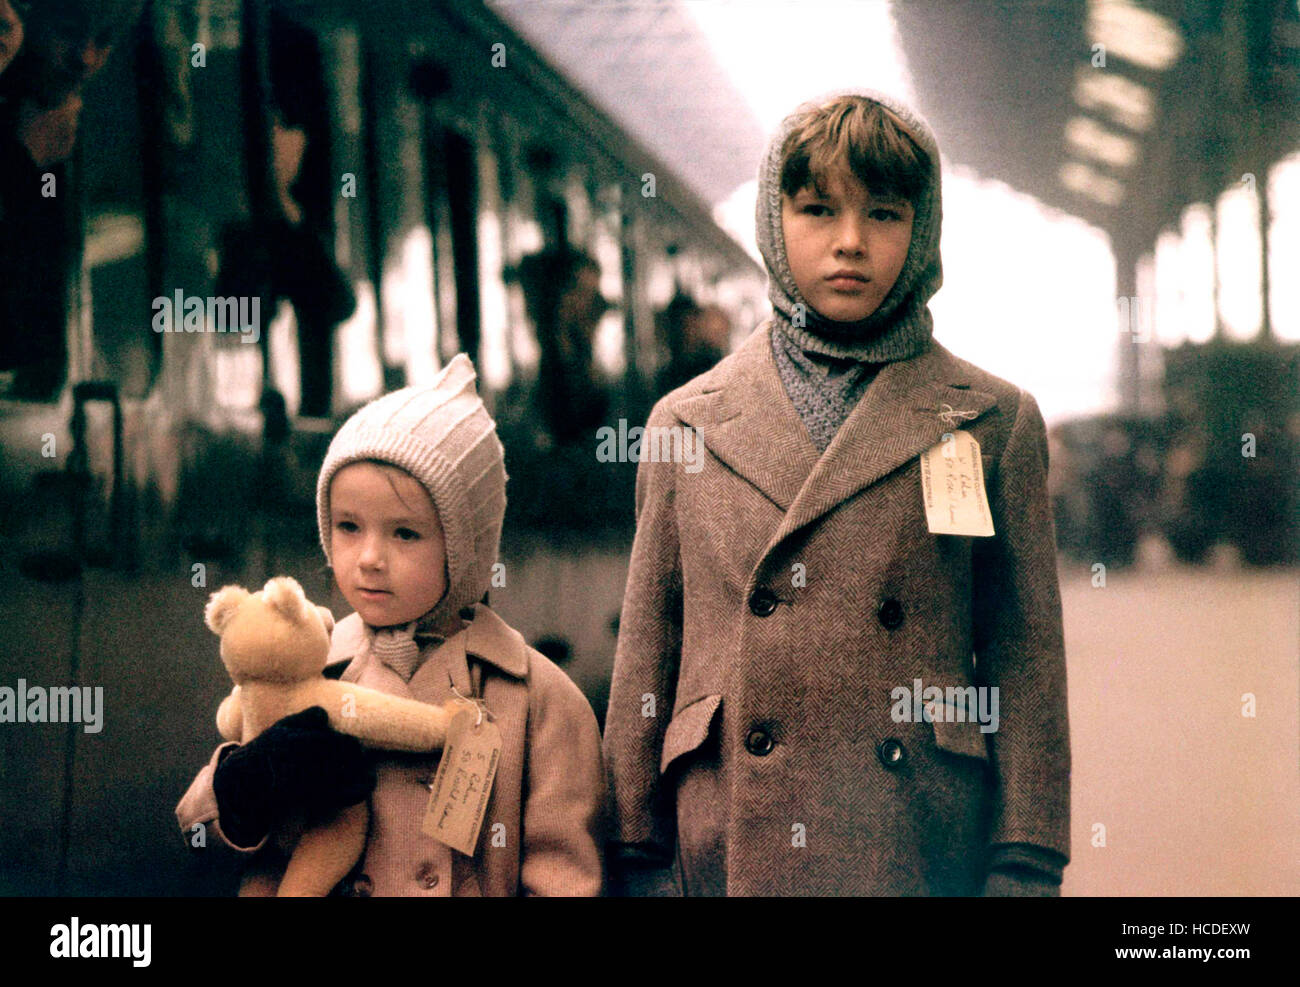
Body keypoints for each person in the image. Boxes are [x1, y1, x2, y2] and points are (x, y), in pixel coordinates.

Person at [603, 90, 1071, 896]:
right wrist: (636, 844)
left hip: (921, 834)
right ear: (772, 223)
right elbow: (649, 645)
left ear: (922, 232)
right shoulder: (683, 421)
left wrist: (1026, 852)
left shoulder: (994, 420)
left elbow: (1023, 653)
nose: (849, 243)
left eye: (884, 214)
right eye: (818, 209)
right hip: (724, 836)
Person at [176, 354, 606, 896]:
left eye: (405, 534)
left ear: (466, 549)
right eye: (348, 527)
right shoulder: (306, 666)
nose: (369, 558)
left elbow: (564, 877)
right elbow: (199, 845)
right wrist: (243, 789)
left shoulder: (538, 699)